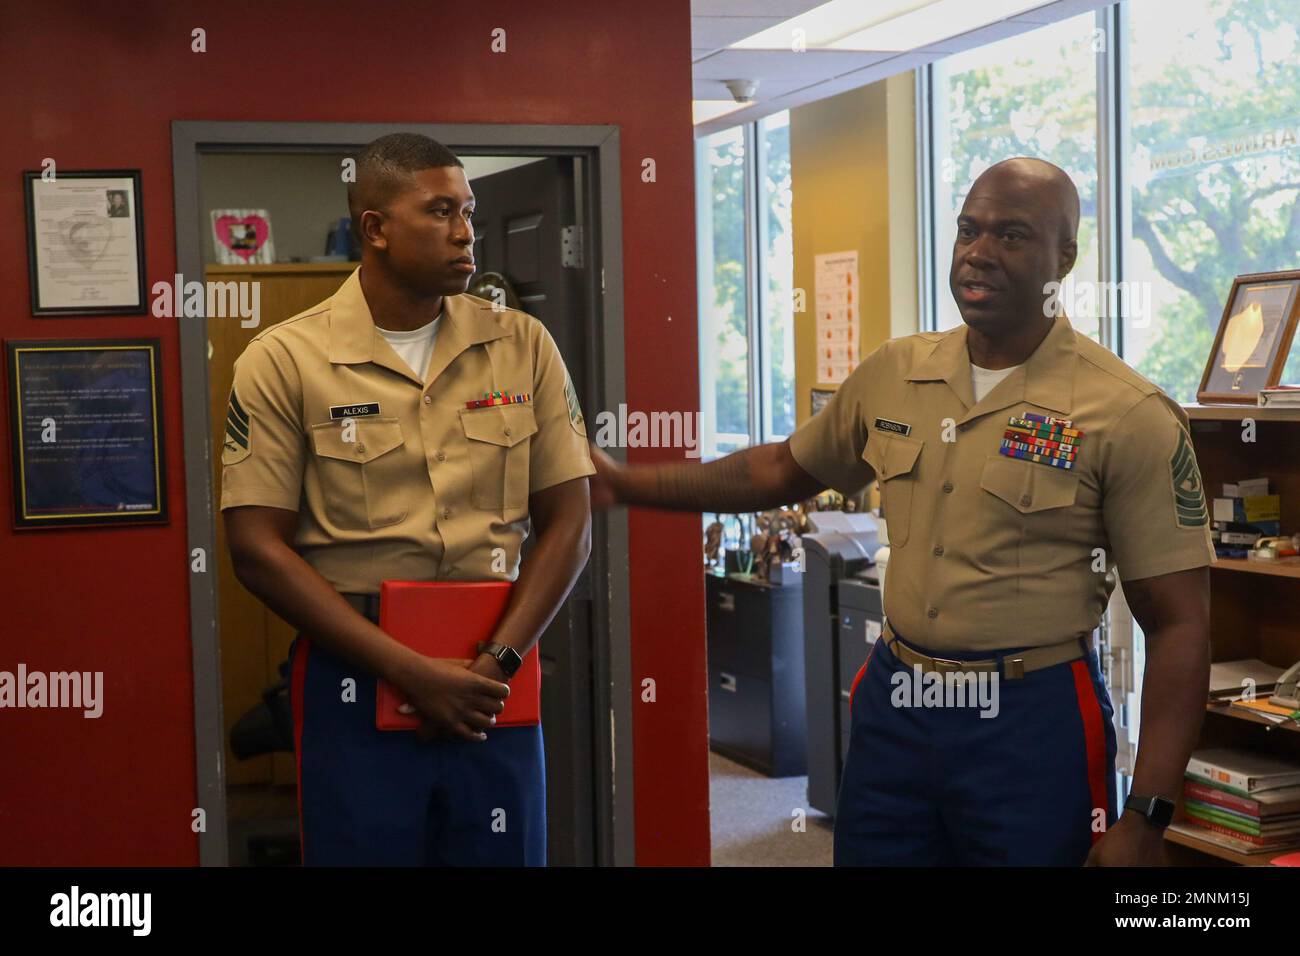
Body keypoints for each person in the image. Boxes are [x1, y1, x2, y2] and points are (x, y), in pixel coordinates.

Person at [590, 157, 1213, 866]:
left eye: (1010, 235)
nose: (978, 253)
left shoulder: (1127, 413)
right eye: (968, 230)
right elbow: (777, 470)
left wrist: (1148, 817)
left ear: (1064, 256)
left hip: (1031, 717)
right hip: (899, 697)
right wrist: (621, 484)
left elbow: (1181, 623)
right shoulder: (897, 371)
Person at [221, 133, 595, 866]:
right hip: (354, 677)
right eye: (441, 211)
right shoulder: (284, 359)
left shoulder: (523, 345)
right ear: (375, 229)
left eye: (469, 209)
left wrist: (496, 662)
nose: (466, 231)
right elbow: (255, 549)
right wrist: (410, 671)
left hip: (496, 673)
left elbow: (570, 522)